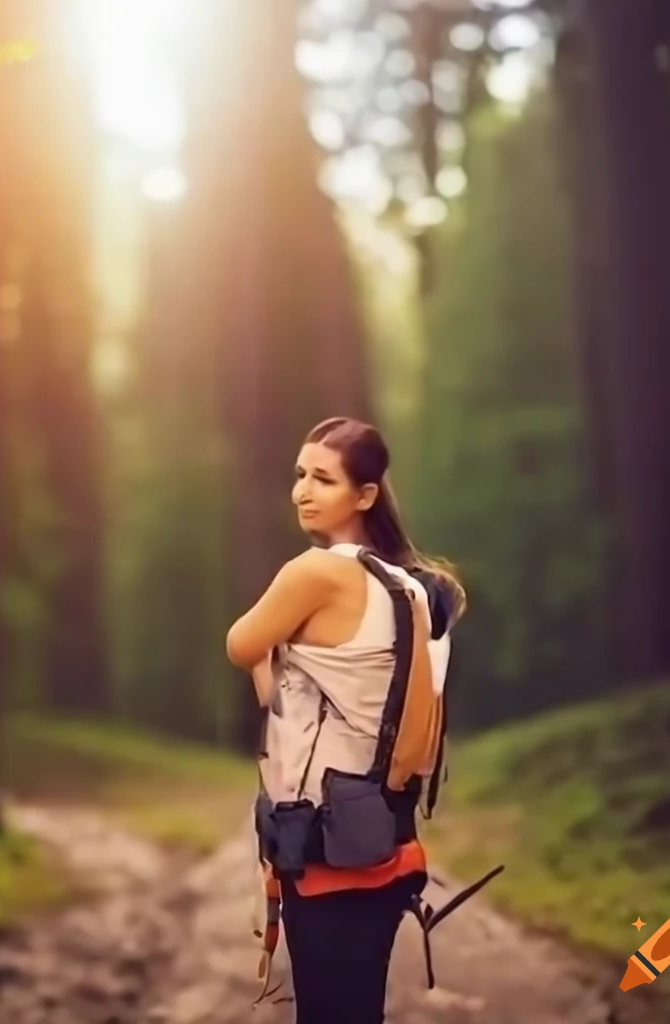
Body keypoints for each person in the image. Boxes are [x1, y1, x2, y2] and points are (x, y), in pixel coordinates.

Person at [226, 416, 466, 1024]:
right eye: (301, 474)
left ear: (365, 496)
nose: (302, 491)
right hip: (387, 837)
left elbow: (239, 643)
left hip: (327, 848)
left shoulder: (317, 572)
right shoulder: (414, 591)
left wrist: (275, 669)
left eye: (323, 479)